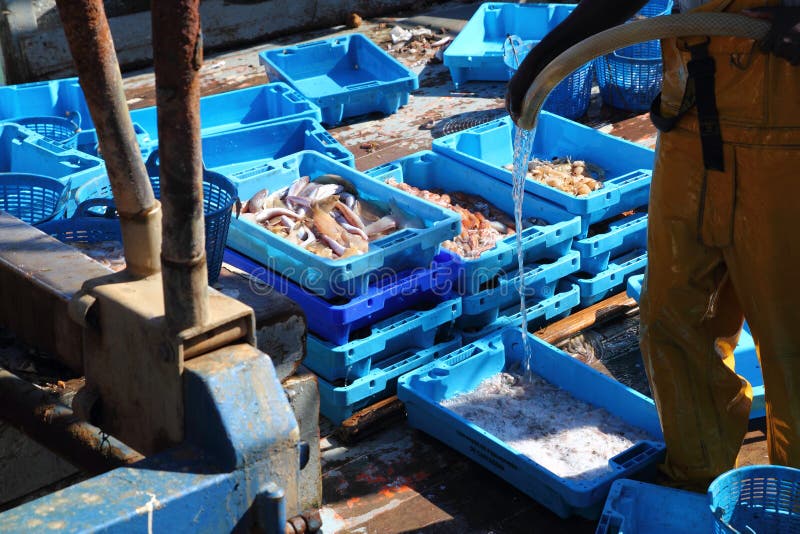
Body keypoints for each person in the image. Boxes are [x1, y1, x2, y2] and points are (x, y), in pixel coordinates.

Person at [505, 0, 800, 489]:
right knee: (673, 320)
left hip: (789, 137)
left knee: (791, 341)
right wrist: (546, 58)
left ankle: (791, 499)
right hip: (691, 122)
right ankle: (697, 478)